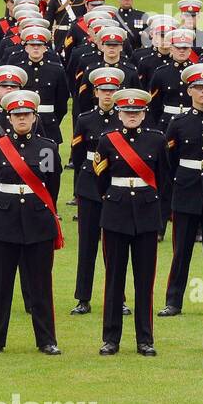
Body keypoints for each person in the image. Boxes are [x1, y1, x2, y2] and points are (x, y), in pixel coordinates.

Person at [0, 89, 62, 355]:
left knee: (40, 284)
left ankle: (47, 340)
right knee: (1, 283)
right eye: (17, 115)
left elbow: (53, 186)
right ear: (9, 118)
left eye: (26, 114)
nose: (22, 119)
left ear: (35, 117)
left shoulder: (47, 148)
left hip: (38, 221)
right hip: (5, 220)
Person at [94, 88, 170, 356]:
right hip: (115, 214)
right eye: (127, 112)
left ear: (144, 113)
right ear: (119, 113)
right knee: (114, 279)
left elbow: (164, 179)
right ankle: (111, 338)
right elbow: (101, 180)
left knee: (144, 281)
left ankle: (144, 339)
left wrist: (160, 217)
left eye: (136, 112)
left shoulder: (157, 140)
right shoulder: (106, 141)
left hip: (147, 215)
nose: (132, 116)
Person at [158, 63, 203, 318]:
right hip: (186, 191)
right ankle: (174, 301)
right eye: (199, 88)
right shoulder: (178, 123)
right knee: (181, 252)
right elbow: (168, 162)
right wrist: (170, 198)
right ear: (189, 91)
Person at [69, 67, 123, 315]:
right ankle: (83, 297)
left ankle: (118, 297)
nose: (108, 94)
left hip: (116, 185)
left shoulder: (124, 118)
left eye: (112, 90)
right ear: (95, 92)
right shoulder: (85, 119)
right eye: (103, 90)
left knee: (116, 247)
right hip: (90, 186)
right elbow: (78, 156)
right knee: (87, 245)